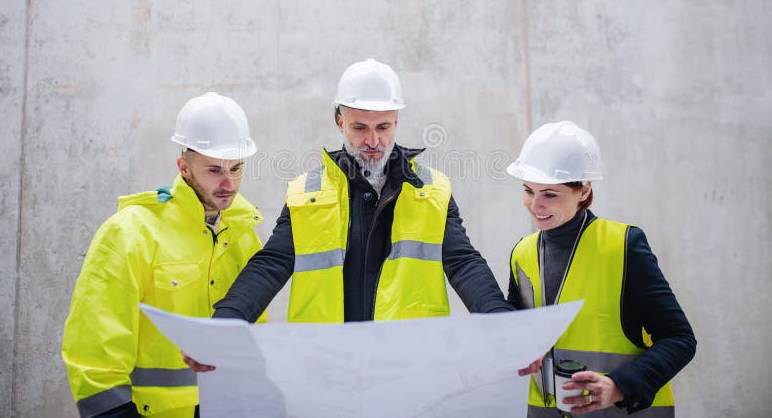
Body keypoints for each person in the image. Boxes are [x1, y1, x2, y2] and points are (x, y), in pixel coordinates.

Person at [205, 59, 512, 325]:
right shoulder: (306, 194)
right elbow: (271, 264)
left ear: (396, 121)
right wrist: (227, 320)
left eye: (383, 127)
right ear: (340, 122)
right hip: (332, 362)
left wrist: (499, 317)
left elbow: (463, 262)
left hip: (409, 361)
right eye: (360, 127)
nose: (373, 140)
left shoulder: (432, 190)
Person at [62, 92, 266, 418]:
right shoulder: (129, 233)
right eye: (214, 169)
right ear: (184, 167)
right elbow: (94, 352)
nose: (229, 182)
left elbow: (253, 340)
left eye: (237, 168)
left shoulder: (244, 235)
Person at [506, 121, 696, 416]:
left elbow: (680, 340)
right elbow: (516, 336)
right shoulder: (522, 253)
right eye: (528, 191)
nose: (535, 205)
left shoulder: (623, 246)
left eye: (550, 194)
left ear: (583, 190)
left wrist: (618, 387)